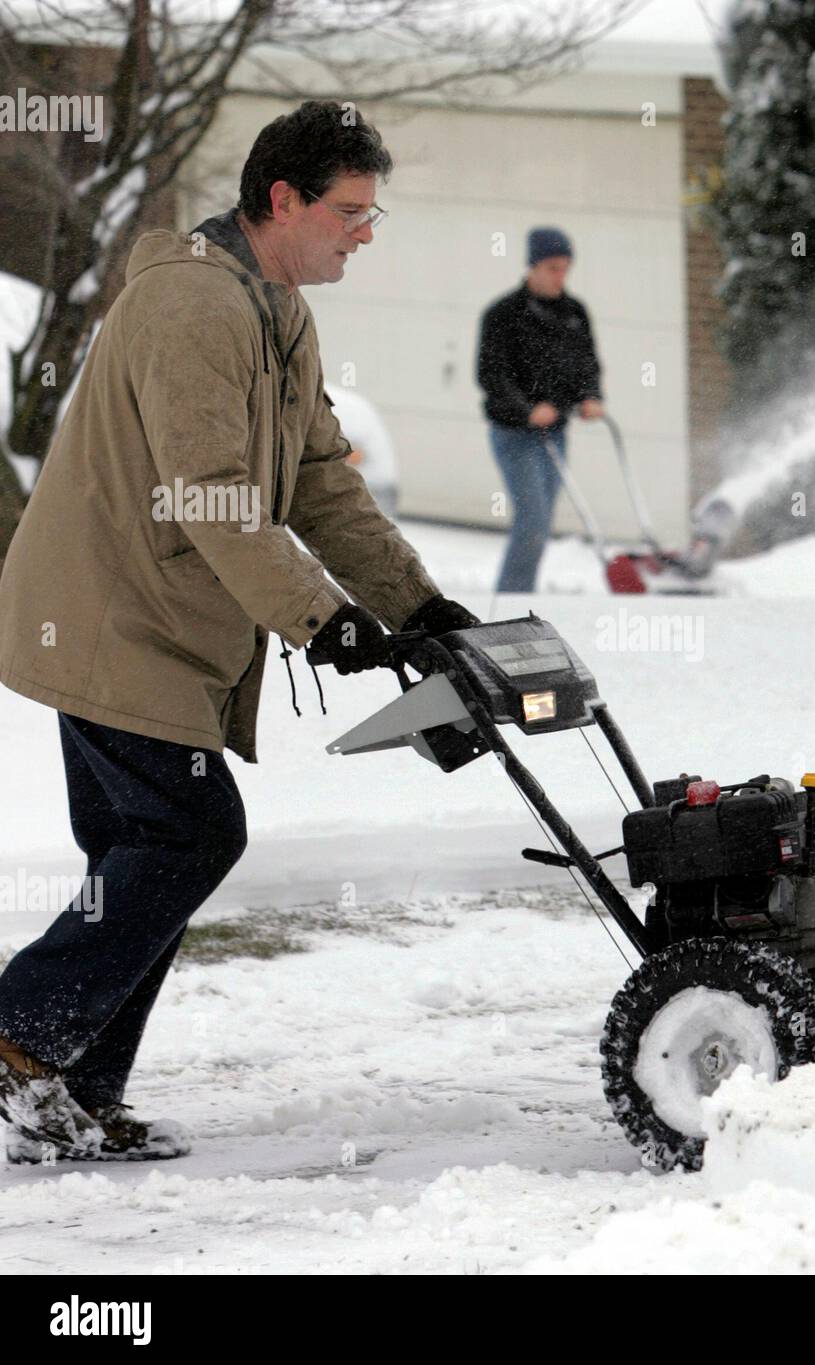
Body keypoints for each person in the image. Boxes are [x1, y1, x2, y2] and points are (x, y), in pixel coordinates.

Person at [0, 100, 476, 1162]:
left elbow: (317, 483)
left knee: (138, 854)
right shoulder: (192, 310)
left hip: (161, 618)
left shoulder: (278, 310)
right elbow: (214, 494)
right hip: (109, 618)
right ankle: (19, 1040)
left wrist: (415, 607)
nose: (365, 230)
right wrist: (322, 620)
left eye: (372, 211)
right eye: (349, 211)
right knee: (189, 834)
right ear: (282, 200)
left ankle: (64, 1087)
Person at [476, 227, 604, 593]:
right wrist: (526, 410)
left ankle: (520, 594)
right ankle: (512, 600)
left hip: (556, 433)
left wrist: (590, 397)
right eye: (552, 268)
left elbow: (587, 364)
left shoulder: (574, 313)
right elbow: (490, 375)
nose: (560, 276)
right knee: (532, 521)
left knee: (541, 523)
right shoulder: (503, 314)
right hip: (514, 435)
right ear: (533, 265)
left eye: (565, 268)